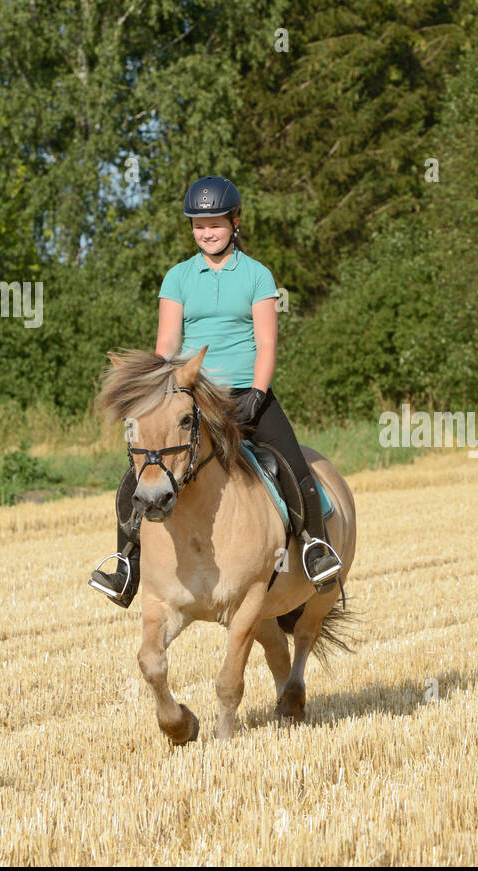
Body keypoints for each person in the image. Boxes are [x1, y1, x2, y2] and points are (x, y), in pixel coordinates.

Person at [89, 175, 343, 607]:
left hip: (248, 392)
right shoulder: (178, 278)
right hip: (189, 395)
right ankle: (126, 564)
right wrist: (162, 393)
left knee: (292, 465)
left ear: (235, 221)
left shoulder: (258, 276)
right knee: (139, 470)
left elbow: (266, 343)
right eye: (198, 224)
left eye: (216, 223)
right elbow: (167, 346)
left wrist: (257, 394)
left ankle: (315, 548)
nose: (207, 232)